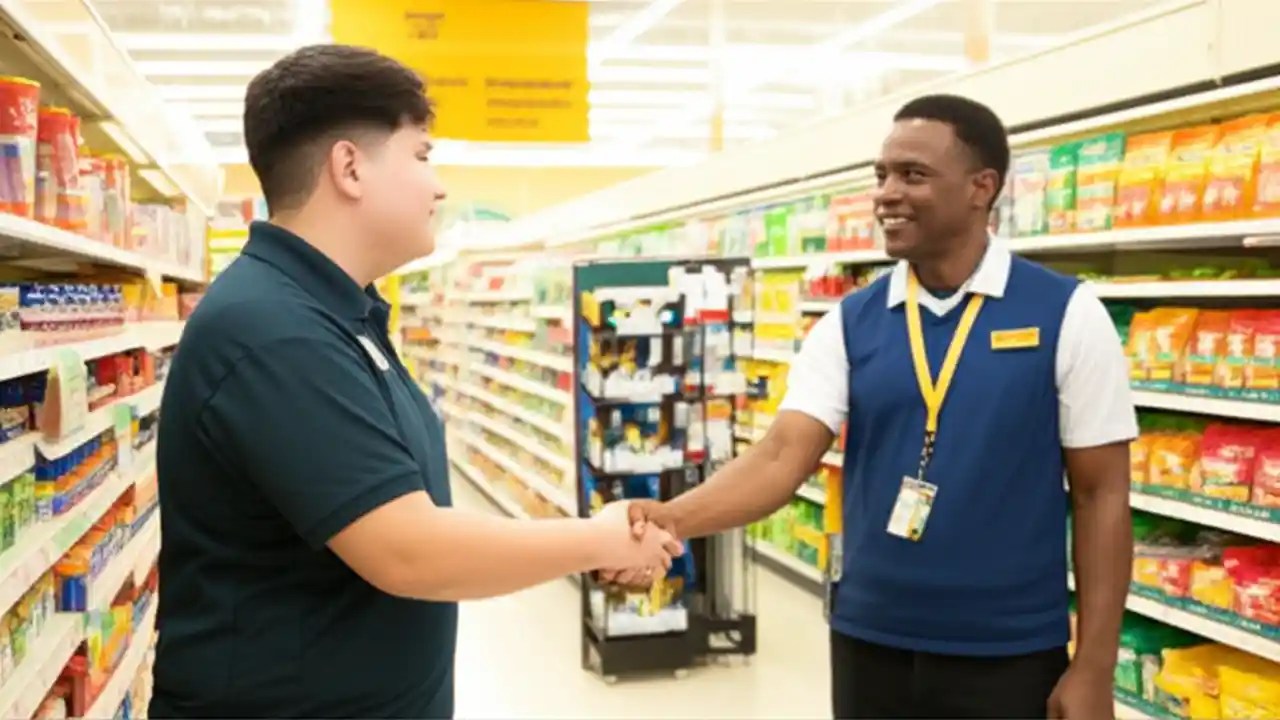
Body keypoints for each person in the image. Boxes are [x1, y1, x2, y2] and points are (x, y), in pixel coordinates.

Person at [151, 44, 680, 720]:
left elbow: (404, 513)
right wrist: (596, 539)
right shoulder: (274, 329)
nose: (439, 186)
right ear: (349, 167)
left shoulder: (338, 313)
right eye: (422, 155)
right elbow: (407, 550)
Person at [607, 94, 1135, 720]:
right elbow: (782, 454)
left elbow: (1101, 494)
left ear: (981, 188)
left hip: (1009, 647)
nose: (886, 193)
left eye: (913, 175)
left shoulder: (1067, 314)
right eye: (881, 174)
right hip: (870, 637)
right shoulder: (851, 322)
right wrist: (672, 517)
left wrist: (1095, 665)